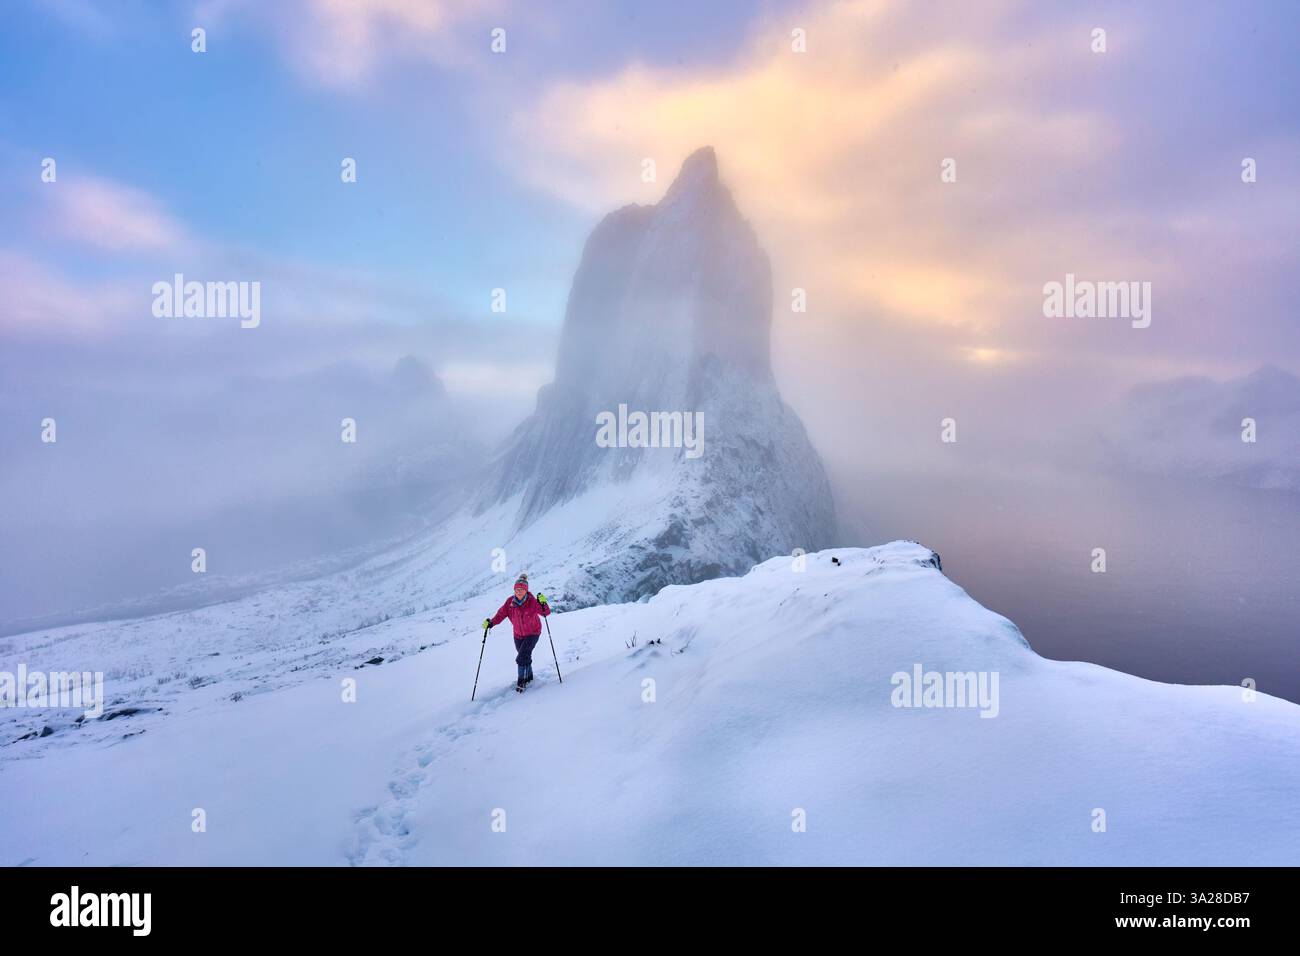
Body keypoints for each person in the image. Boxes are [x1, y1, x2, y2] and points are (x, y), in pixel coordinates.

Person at [484, 573, 551, 689]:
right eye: (517, 589)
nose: (519, 591)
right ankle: (529, 677)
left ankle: (522, 682)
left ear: (526, 590)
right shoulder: (510, 602)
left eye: (521, 589)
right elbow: (501, 614)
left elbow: (545, 613)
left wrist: (543, 603)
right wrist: (491, 623)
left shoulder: (532, 601)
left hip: (533, 633)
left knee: (521, 658)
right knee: (525, 656)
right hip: (518, 635)